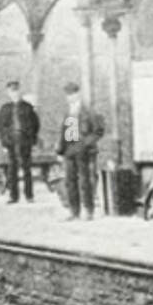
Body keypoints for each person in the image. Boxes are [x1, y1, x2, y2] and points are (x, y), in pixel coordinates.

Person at [55, 83, 104, 220]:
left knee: (84, 181)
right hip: (69, 150)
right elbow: (64, 133)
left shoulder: (88, 111)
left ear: (78, 94)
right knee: (70, 181)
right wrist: (60, 151)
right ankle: (74, 211)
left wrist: (85, 144)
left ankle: (89, 210)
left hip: (83, 150)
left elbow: (98, 131)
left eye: (73, 94)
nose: (70, 97)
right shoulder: (68, 112)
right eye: (68, 95)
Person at [0, 80, 40, 203]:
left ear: (20, 91)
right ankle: (13, 196)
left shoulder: (27, 107)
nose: (14, 93)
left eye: (16, 90)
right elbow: (0, 127)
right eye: (11, 91)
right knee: (12, 169)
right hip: (11, 142)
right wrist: (4, 143)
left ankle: (29, 195)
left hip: (25, 141)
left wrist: (32, 139)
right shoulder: (5, 109)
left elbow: (35, 124)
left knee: (27, 169)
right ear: (8, 93)